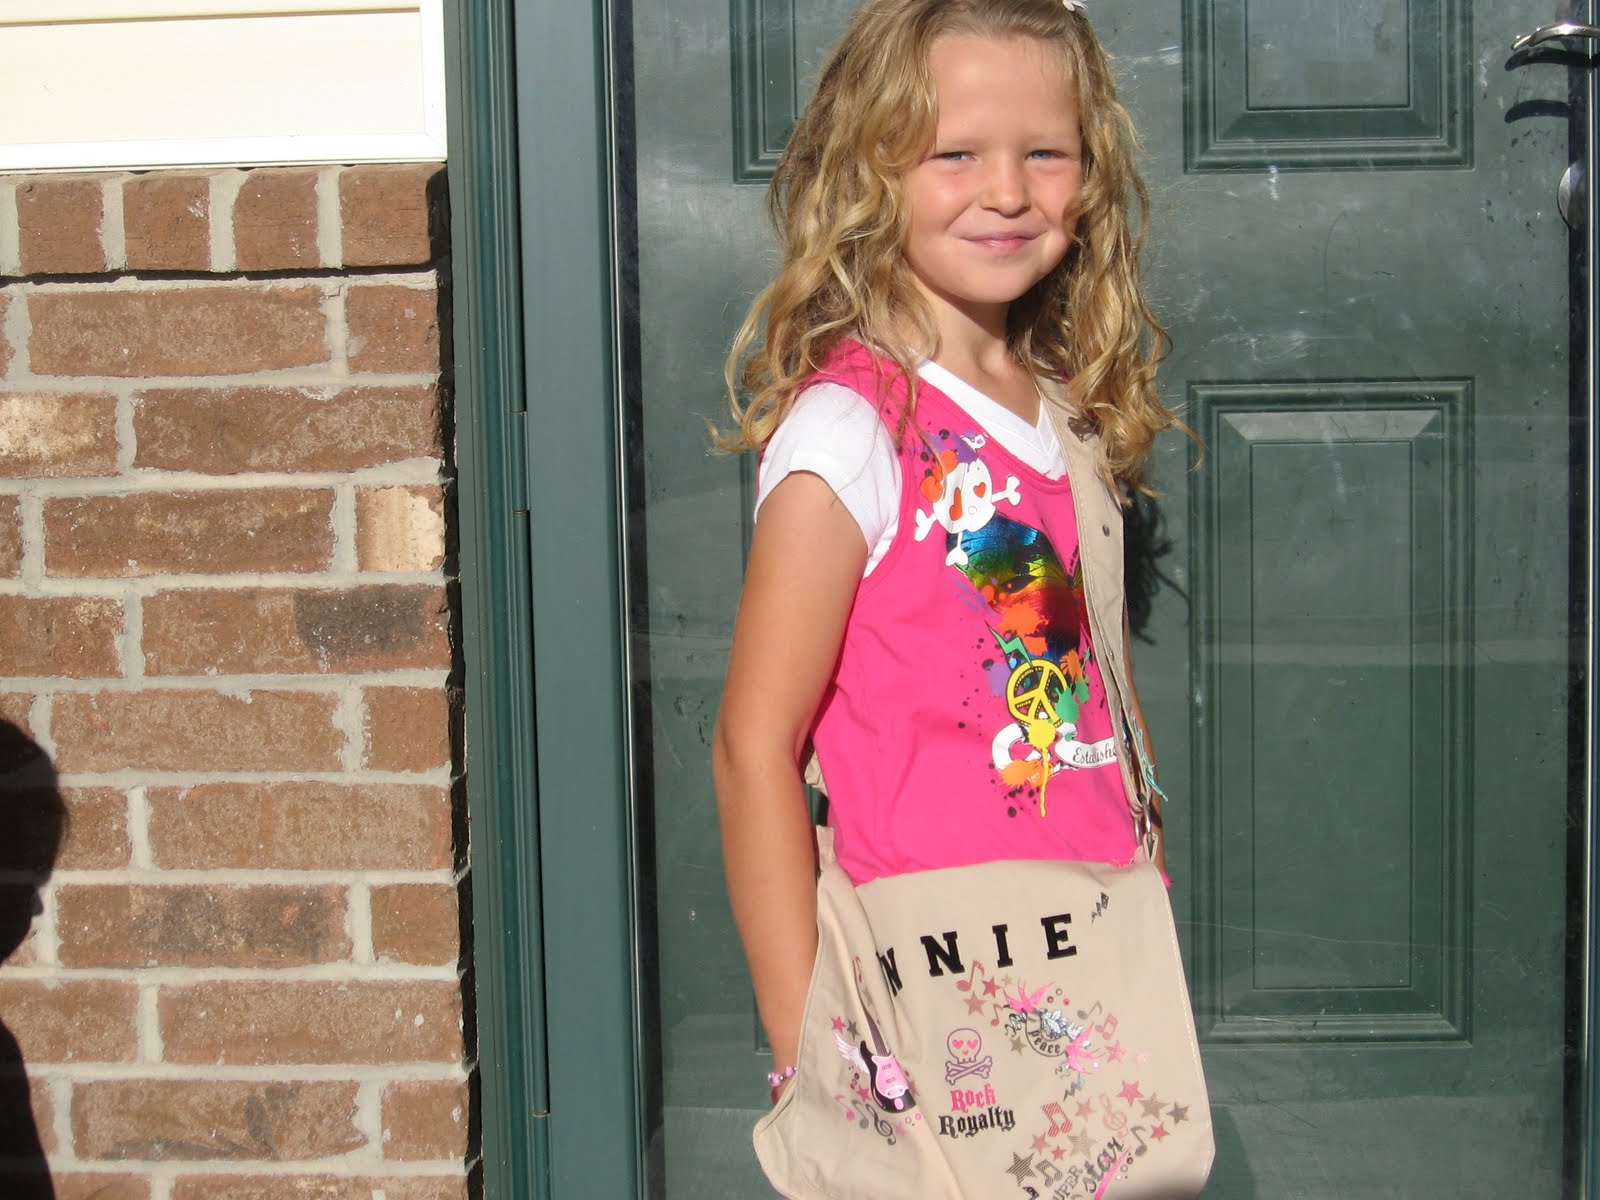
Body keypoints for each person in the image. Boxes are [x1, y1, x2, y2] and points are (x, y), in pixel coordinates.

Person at [712, 0, 1180, 1127]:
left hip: (1089, 950)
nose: (1007, 191)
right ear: (868, 168)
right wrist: (813, 1052)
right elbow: (750, 749)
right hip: (928, 984)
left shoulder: (1065, 412)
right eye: (955, 153)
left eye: (1046, 154)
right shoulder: (852, 431)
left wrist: (1144, 893)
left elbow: (1103, 696)